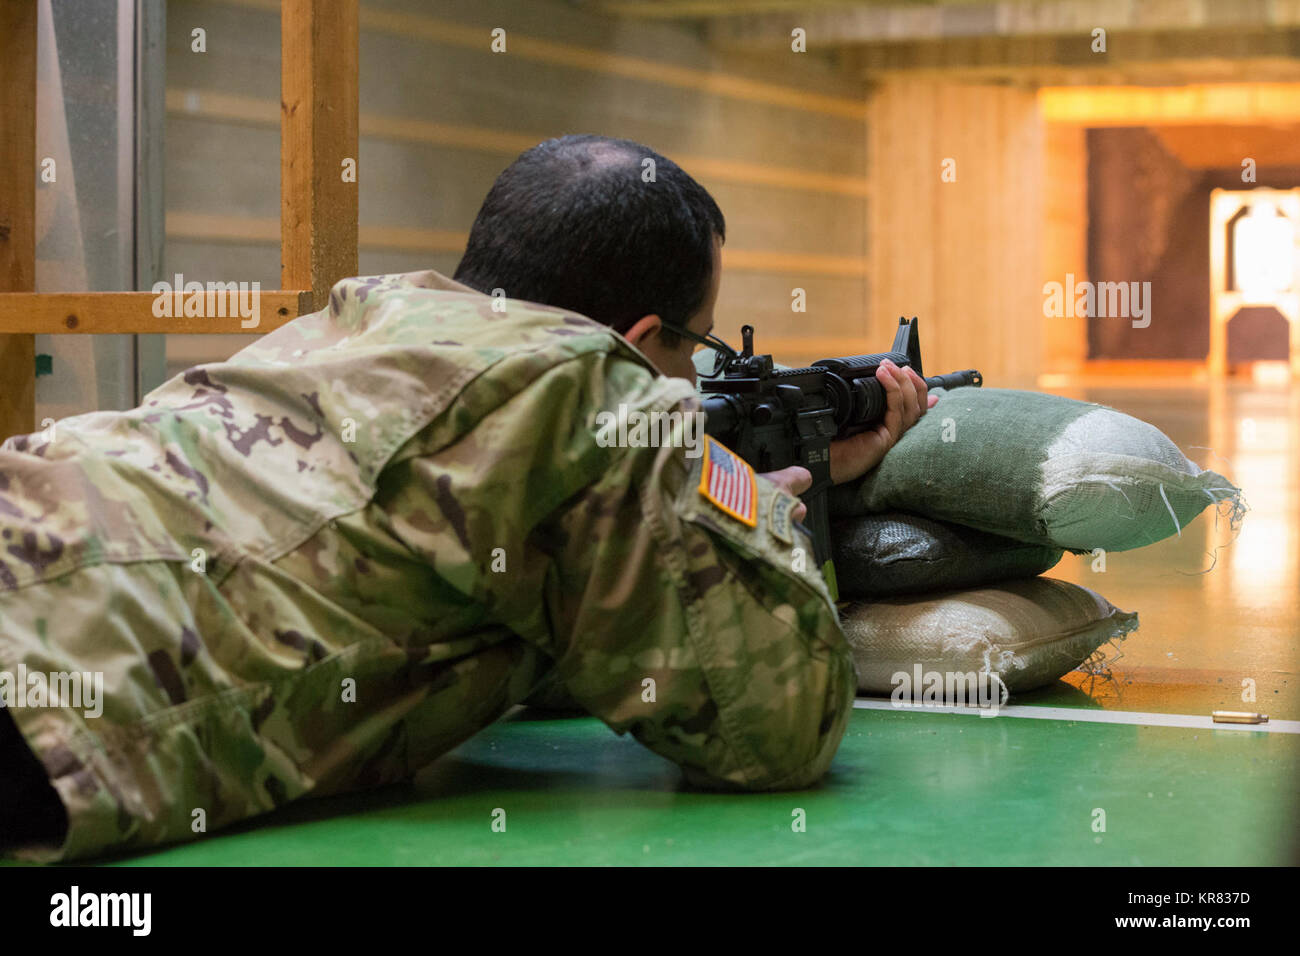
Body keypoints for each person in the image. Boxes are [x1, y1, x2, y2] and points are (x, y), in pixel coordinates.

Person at [0, 135, 932, 862]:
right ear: (640, 333)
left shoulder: (339, 327)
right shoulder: (583, 382)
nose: (690, 376)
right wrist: (753, 512)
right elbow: (778, 726)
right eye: (695, 347)